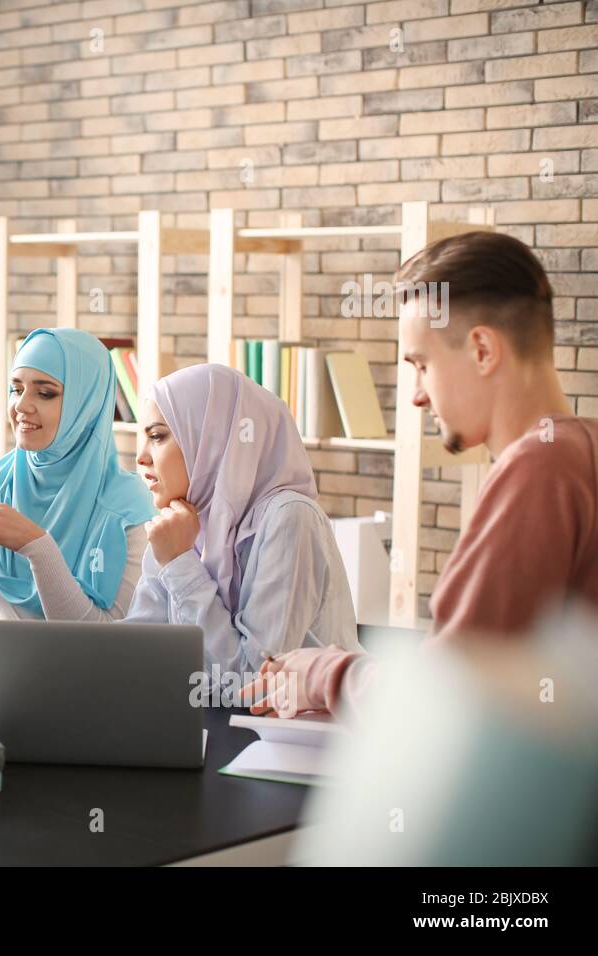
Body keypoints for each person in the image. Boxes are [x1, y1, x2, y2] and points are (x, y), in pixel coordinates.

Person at [244, 231, 598, 719]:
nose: (416, 395)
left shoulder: (540, 468)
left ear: (482, 350)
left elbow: (448, 696)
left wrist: (320, 674)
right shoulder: (579, 452)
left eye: (421, 364)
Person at [0, 327, 157, 647]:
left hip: (96, 692)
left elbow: (107, 644)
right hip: (9, 687)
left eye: (45, 393)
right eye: (16, 389)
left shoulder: (128, 507)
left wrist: (38, 547)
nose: (21, 406)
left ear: (85, 404)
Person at [122, 363, 360, 677]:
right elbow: (135, 648)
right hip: (201, 721)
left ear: (211, 438)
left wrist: (180, 564)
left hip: (290, 725)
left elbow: (252, 680)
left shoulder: (290, 519)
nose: (141, 457)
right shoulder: (183, 522)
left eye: (158, 437)